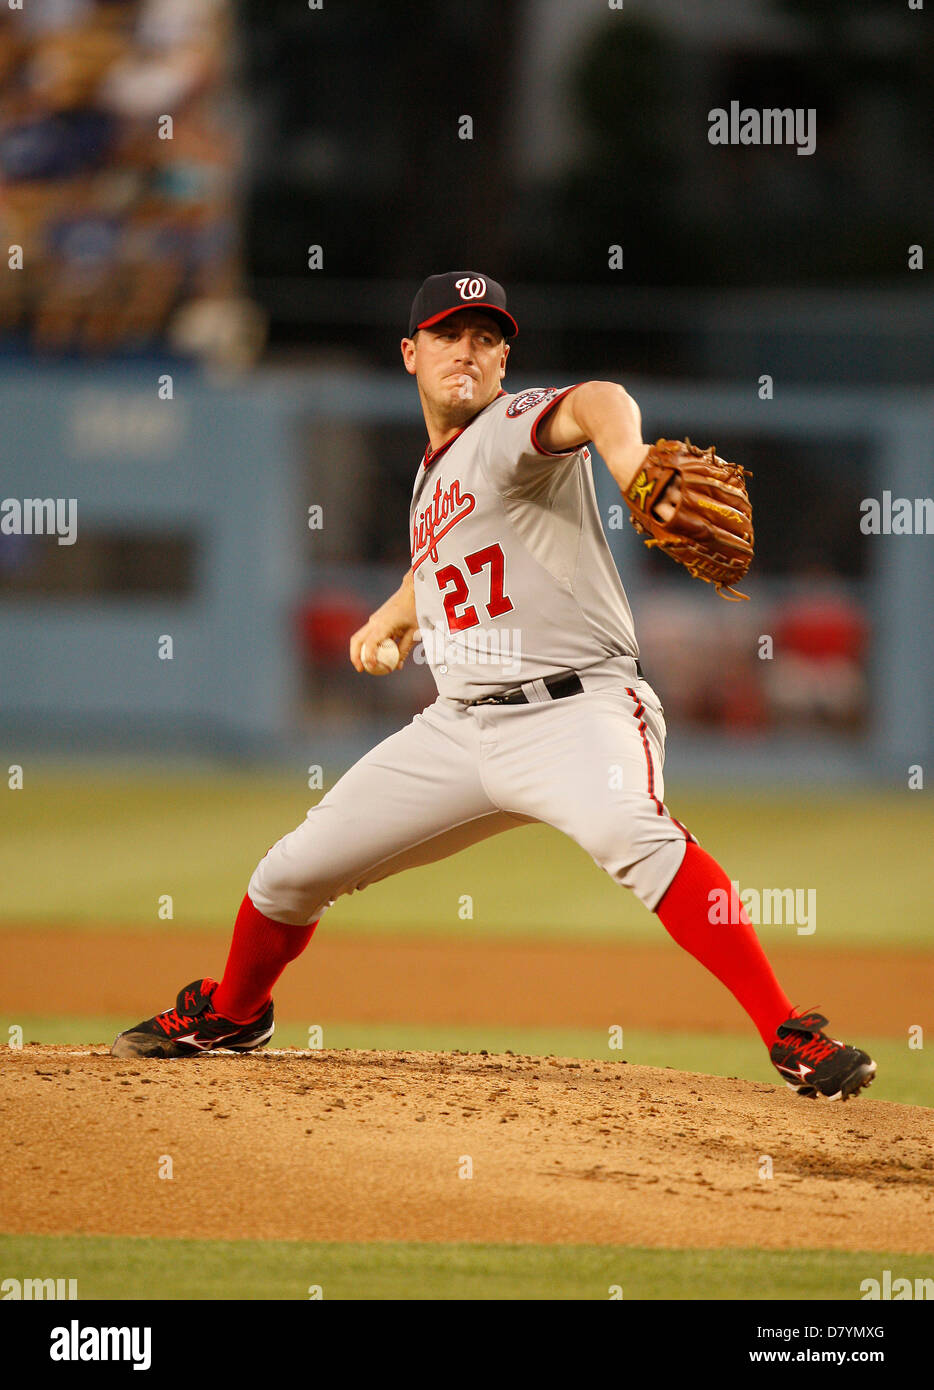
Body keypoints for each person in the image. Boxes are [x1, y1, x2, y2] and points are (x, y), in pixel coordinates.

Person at [112, 271, 876, 1103]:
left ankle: (788, 1033)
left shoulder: (512, 425)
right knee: (289, 877)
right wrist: (395, 615)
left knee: (635, 833)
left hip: (578, 713)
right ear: (411, 353)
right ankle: (233, 1011)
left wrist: (627, 459)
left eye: (486, 337)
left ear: (504, 360)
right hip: (458, 731)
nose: (467, 351)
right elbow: (446, 556)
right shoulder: (433, 474)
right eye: (448, 334)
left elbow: (596, 399)